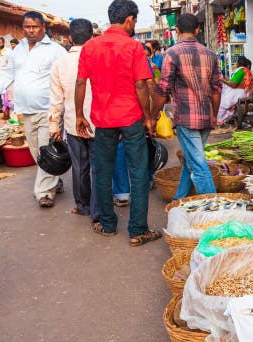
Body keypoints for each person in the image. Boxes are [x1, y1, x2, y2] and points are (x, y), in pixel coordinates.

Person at [76, 0, 160, 246]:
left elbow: (81, 83)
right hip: (130, 118)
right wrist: (147, 117)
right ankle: (137, 230)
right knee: (138, 172)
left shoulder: (90, 47)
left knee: (103, 171)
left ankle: (109, 225)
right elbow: (141, 85)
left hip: (103, 120)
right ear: (129, 20)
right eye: (134, 21)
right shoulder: (133, 47)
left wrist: (79, 115)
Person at [0, 12, 67, 207]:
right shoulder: (20, 49)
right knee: (37, 152)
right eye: (27, 27)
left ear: (43, 27)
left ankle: (44, 193)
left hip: (48, 110)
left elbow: (67, 74)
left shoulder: (56, 50)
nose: (30, 30)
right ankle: (54, 180)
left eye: (34, 27)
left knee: (45, 148)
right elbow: (9, 71)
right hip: (25, 110)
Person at [151, 13, 221, 199]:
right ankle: (179, 199)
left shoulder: (172, 54)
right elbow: (217, 89)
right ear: (197, 30)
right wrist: (214, 115)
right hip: (206, 116)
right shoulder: (210, 54)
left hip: (187, 118)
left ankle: (214, 209)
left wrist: (152, 116)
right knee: (192, 161)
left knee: (197, 165)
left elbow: (163, 89)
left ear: (177, 30)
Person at [48, 18, 98, 222]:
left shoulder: (59, 64)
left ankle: (83, 205)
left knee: (79, 167)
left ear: (70, 38)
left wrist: (53, 126)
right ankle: (99, 206)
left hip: (72, 122)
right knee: (100, 167)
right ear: (92, 37)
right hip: (98, 122)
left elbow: (55, 99)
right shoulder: (99, 60)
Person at [216, 56, 252, 125]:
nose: (235, 64)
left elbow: (233, 85)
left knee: (222, 102)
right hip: (243, 92)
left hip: (239, 93)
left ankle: (219, 120)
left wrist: (222, 80)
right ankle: (222, 119)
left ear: (238, 63)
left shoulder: (241, 71)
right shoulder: (245, 70)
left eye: (236, 62)